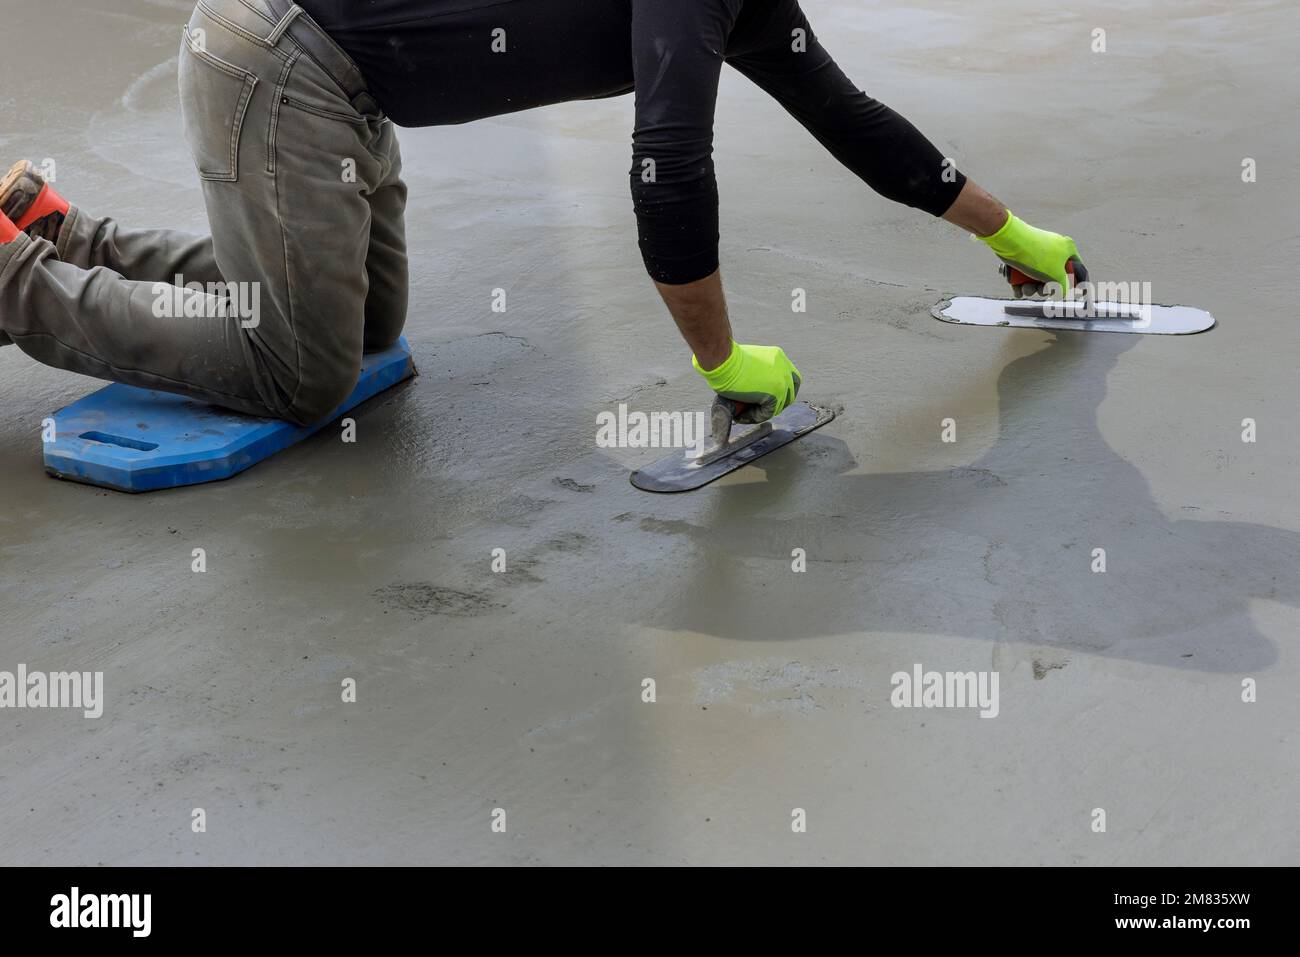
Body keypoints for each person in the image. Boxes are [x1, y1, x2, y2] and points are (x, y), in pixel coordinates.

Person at [0, 0, 1085, 426]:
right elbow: (668, 167)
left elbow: (845, 116)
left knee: (371, 330)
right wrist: (722, 367)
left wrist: (1010, 235)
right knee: (306, 374)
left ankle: (49, 227)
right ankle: (12, 277)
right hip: (281, 68)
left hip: (346, 85)